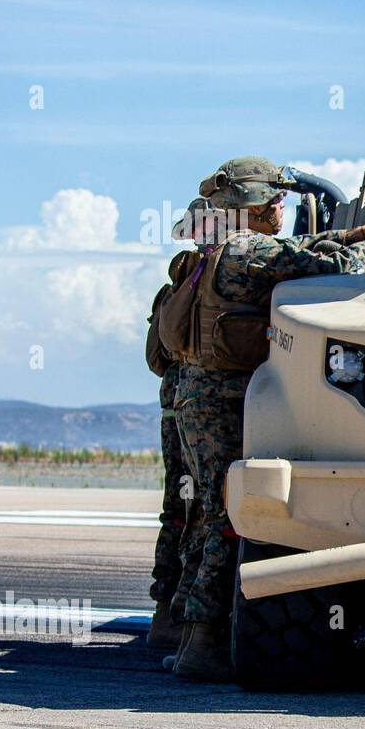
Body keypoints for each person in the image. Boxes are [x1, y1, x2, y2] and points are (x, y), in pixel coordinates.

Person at [167, 156, 365, 681]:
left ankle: (187, 634)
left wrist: (359, 228)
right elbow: (337, 267)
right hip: (223, 402)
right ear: (248, 207)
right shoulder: (249, 250)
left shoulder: (222, 248)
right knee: (233, 518)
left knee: (211, 514)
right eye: (273, 200)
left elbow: (301, 251)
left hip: (202, 399)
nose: (280, 207)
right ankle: (201, 644)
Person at [144, 198, 226, 649]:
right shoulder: (216, 278)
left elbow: (157, 360)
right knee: (200, 513)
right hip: (200, 413)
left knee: (179, 511)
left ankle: (166, 612)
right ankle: (179, 614)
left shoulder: (181, 281)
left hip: (177, 411)